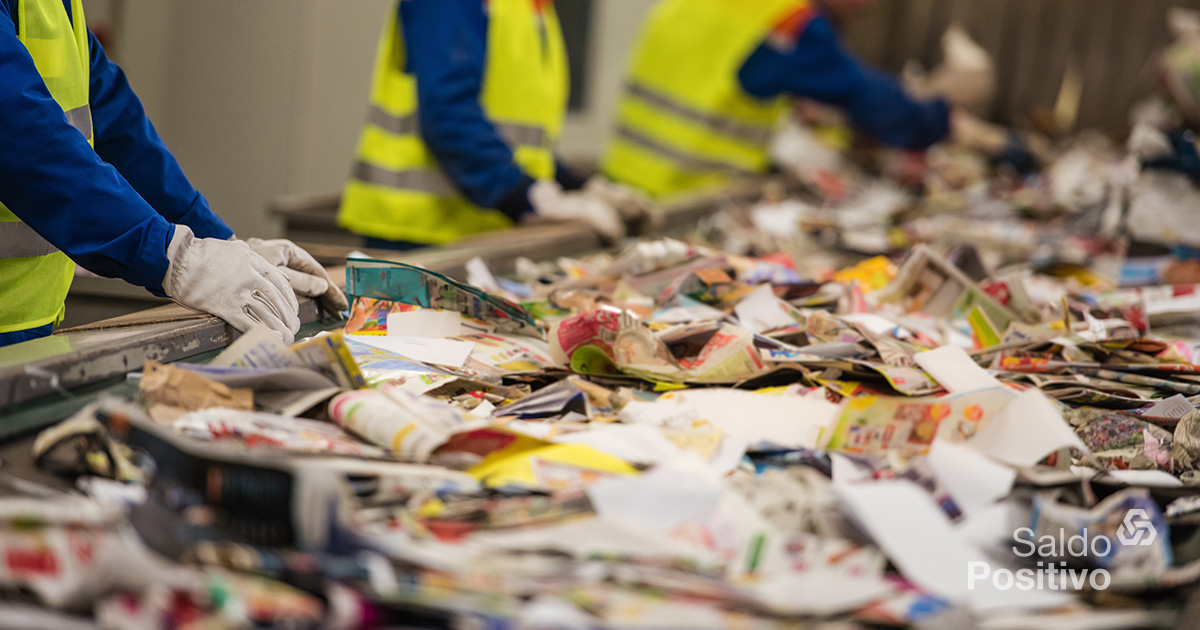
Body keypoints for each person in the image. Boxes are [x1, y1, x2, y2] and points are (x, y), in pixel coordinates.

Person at [0, 0, 346, 348]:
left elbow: (118, 134)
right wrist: (170, 256)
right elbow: (21, 135)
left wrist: (218, 245)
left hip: (27, 330)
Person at [601, 0, 1019, 199]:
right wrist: (970, 132)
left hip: (624, 185)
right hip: (690, 198)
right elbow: (876, 104)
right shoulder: (787, 21)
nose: (869, 7)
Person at [338, 0, 651, 252]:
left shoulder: (531, 8)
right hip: (418, 237)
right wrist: (530, 198)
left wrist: (577, 186)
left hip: (477, 236)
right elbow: (450, 116)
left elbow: (519, 138)